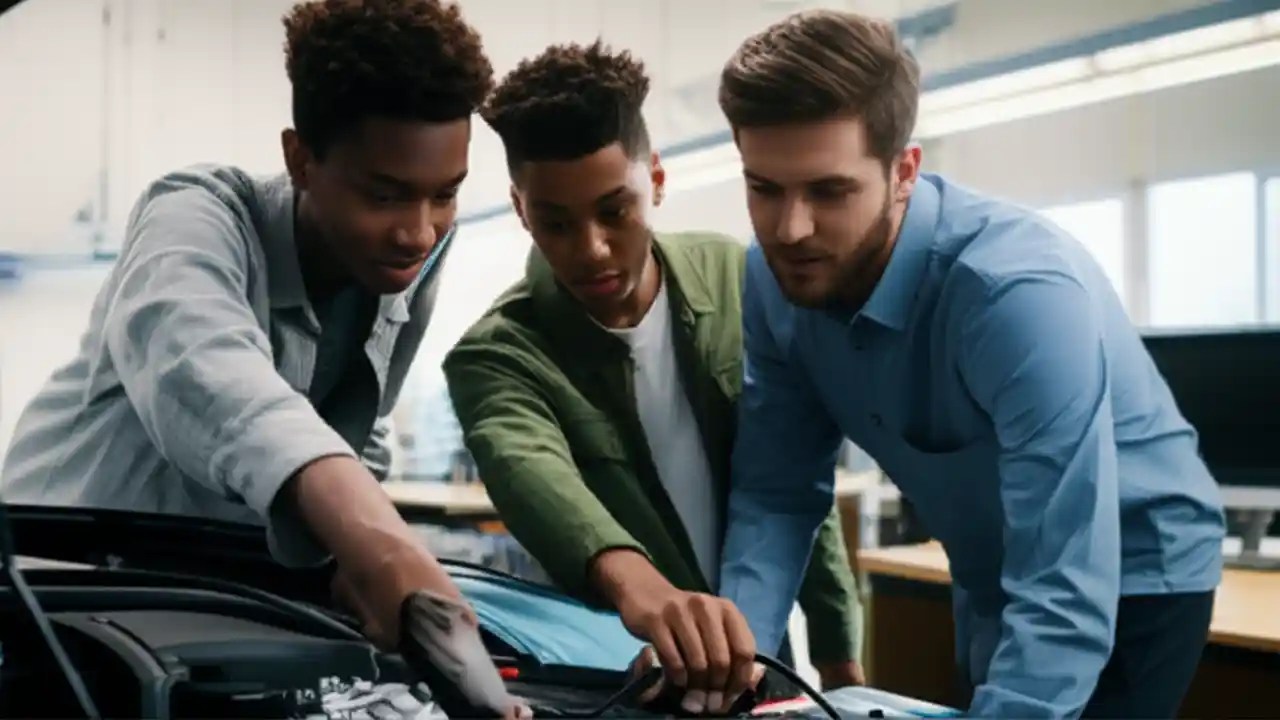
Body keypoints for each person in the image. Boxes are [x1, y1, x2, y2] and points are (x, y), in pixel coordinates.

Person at [0, 2, 525, 714]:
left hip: (218, 607)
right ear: (300, 157)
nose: (419, 231)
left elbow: (357, 420)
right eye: (384, 194)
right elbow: (212, 374)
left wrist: (352, 559)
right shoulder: (195, 214)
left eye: (447, 194)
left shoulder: (406, 259)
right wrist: (377, 540)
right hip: (61, 591)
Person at [713, 10, 1227, 719]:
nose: (789, 230)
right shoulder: (771, 278)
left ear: (903, 172)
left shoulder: (1014, 295)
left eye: (829, 191)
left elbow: (1065, 580)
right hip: (990, 565)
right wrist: (736, 661)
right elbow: (776, 492)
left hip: (1135, 571)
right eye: (764, 189)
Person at [442, 40, 865, 715]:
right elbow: (535, 482)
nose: (593, 249)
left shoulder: (737, 278)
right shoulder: (495, 357)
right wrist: (649, 596)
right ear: (523, 212)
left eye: (615, 210)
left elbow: (796, 479)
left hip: (765, 657)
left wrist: (843, 664)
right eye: (556, 222)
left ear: (657, 182)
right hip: (619, 675)